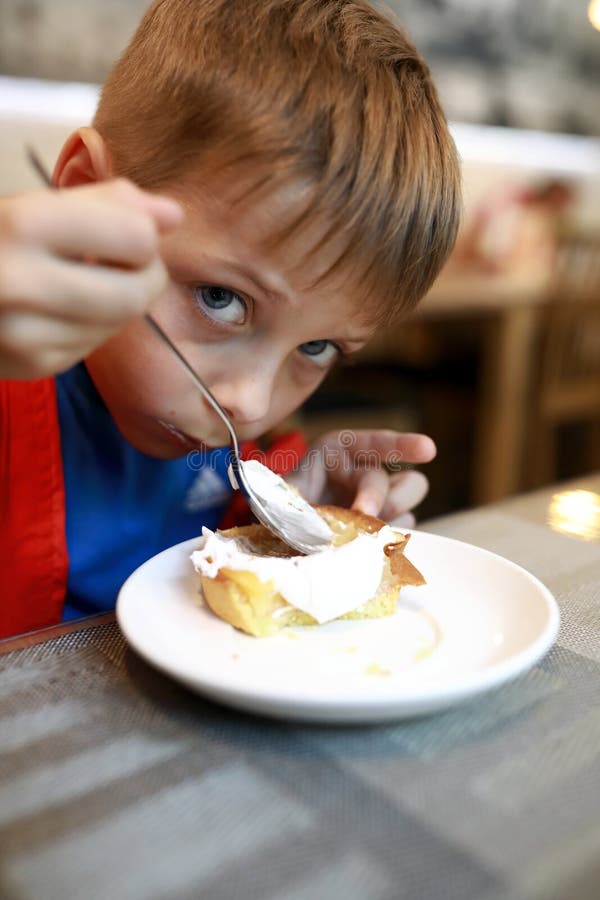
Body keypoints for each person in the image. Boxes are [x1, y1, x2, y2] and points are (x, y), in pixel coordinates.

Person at [0, 0, 461, 638]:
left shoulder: (236, 453)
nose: (251, 402)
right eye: (221, 299)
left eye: (318, 347)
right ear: (87, 196)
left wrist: (298, 506)